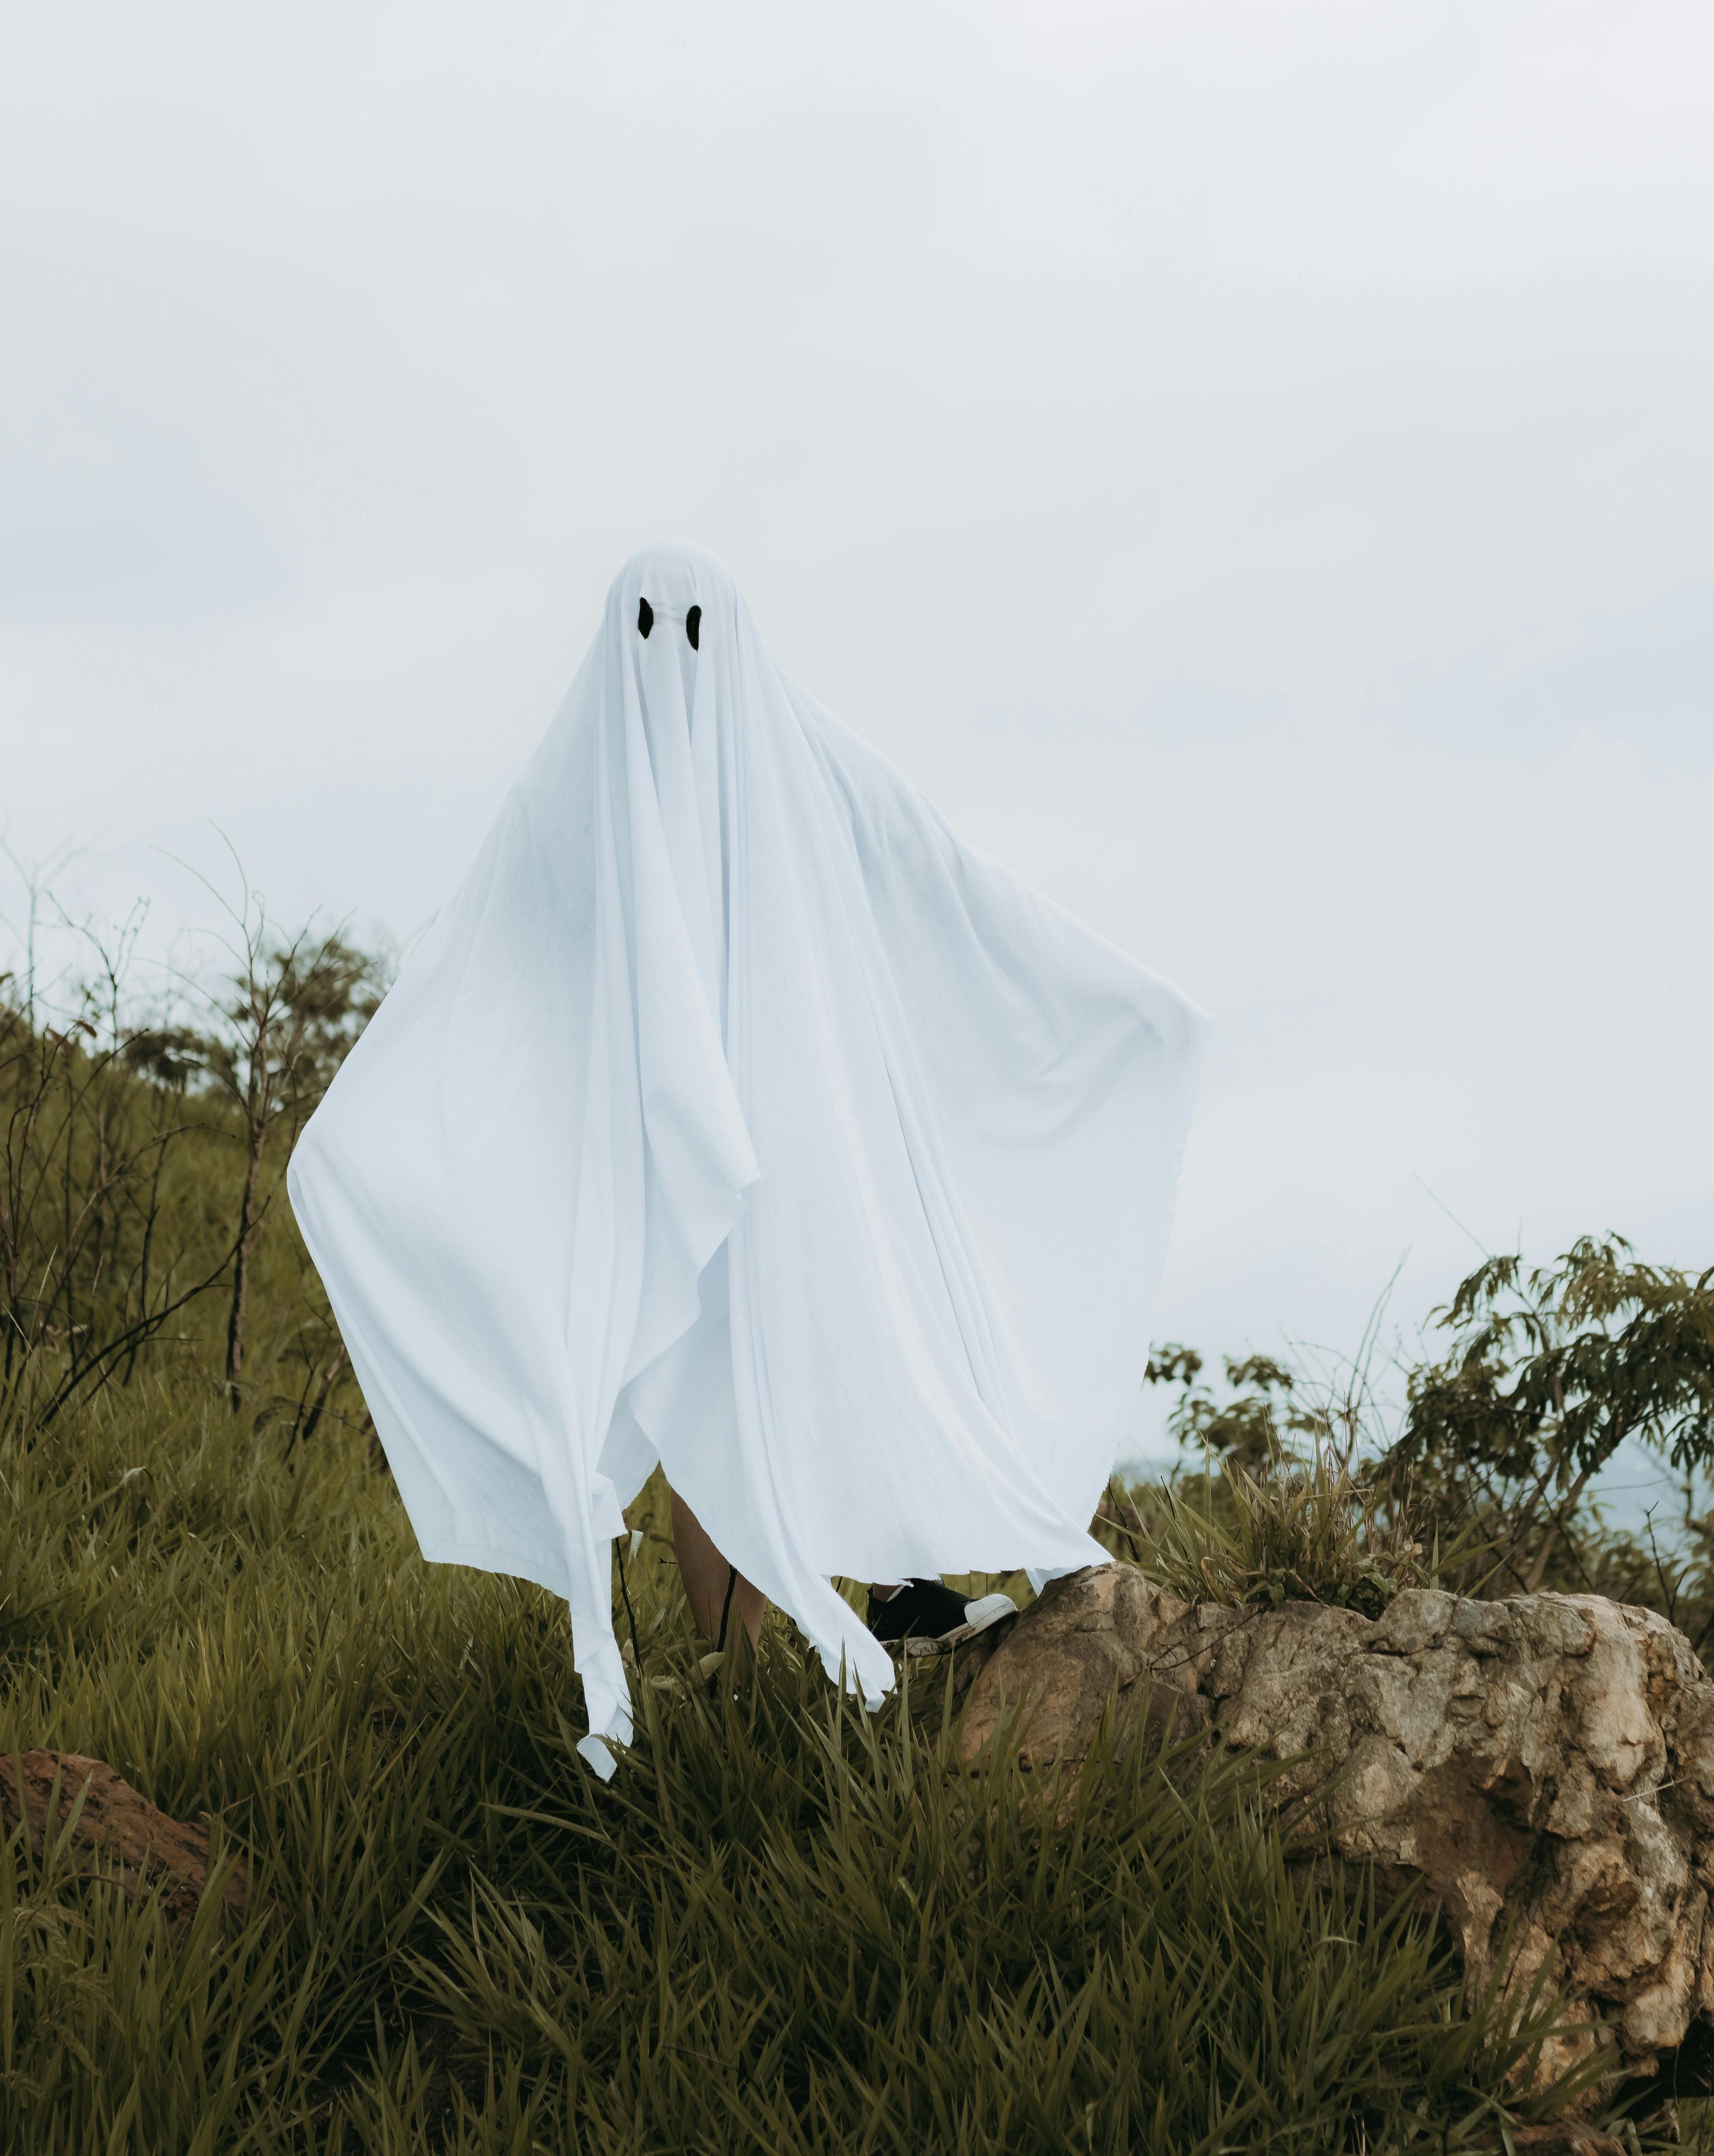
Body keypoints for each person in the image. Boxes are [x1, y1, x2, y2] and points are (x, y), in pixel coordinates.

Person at [289, 546, 1207, 1772]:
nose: (676, 664)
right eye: (651, 633)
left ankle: (894, 1590)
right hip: (665, 1162)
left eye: (696, 633)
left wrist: (1136, 1014)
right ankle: (735, 1678)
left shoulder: (800, 762)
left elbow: (945, 884)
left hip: (809, 1141)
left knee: (845, 1343)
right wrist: (358, 1139)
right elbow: (483, 963)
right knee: (700, 1384)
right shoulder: (578, 796)